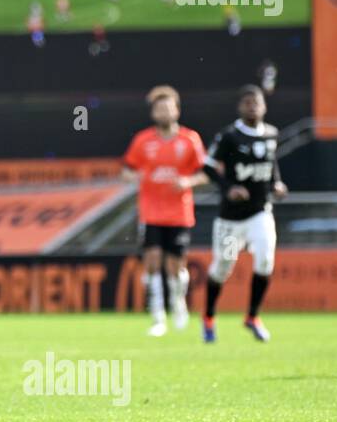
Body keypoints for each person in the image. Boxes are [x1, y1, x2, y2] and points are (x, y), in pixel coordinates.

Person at [201, 84, 287, 343]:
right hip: (231, 218)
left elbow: (270, 163)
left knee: (265, 261)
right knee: (222, 269)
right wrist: (229, 188)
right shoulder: (229, 135)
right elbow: (207, 166)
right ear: (240, 107)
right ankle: (208, 317)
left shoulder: (271, 134)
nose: (253, 106)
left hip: (261, 212)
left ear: (264, 106)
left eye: (257, 102)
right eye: (248, 102)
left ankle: (252, 316)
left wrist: (277, 184)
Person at [121, 85, 208, 337]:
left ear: (177, 110)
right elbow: (126, 169)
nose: (164, 111)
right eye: (159, 108)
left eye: (168, 107)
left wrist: (188, 182)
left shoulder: (190, 139)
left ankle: (178, 303)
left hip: (179, 212)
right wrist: (134, 176)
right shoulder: (142, 140)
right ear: (153, 113)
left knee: (175, 266)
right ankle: (158, 316)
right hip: (150, 212)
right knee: (152, 262)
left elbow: (205, 173)